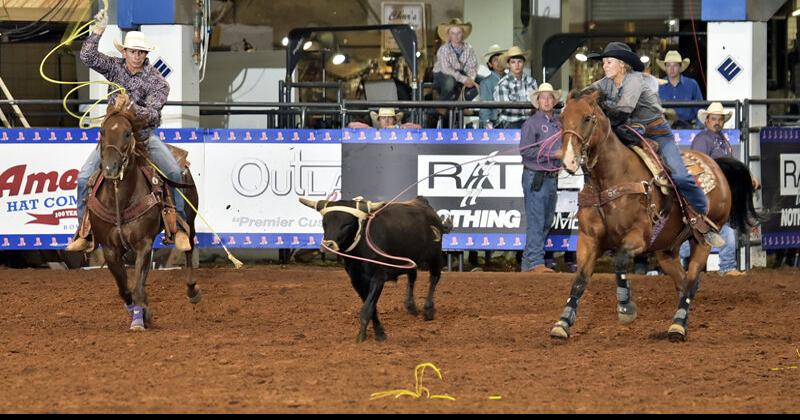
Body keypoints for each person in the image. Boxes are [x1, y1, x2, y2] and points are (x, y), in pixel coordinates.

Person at [66, 10, 190, 252]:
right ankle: (85, 232)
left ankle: (180, 228)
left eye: (141, 52)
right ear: (124, 52)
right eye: (133, 51)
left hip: (143, 137)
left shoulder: (157, 81)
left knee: (175, 172)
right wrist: (98, 31)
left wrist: (132, 109)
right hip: (113, 139)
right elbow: (88, 56)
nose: (137, 56)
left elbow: (153, 113)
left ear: (146, 54)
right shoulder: (115, 67)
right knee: (83, 178)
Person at [587, 42, 725, 248]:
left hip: (658, 134)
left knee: (680, 176)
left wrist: (601, 107)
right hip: (630, 132)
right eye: (604, 62)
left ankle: (703, 216)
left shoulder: (634, 81)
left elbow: (622, 112)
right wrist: (573, 101)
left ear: (622, 65)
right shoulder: (606, 83)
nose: (604, 66)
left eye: (608, 62)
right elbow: (586, 94)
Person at [680, 102, 747, 276]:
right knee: (704, 227)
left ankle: (724, 265)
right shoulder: (703, 140)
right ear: (707, 120)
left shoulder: (722, 140)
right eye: (714, 119)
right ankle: (725, 266)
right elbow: (699, 166)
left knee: (706, 227)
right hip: (709, 192)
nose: (717, 122)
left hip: (717, 192)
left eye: (720, 119)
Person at [519, 83, 562, 273]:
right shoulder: (531, 123)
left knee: (545, 221)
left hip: (550, 176)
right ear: (537, 102)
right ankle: (536, 262)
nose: (546, 101)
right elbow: (526, 152)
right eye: (542, 97)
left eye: (549, 97)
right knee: (538, 220)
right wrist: (554, 155)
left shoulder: (559, 123)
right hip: (536, 176)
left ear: (554, 101)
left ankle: (528, 265)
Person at [432, 18, 478, 101]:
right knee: (450, 82)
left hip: (459, 72)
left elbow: (472, 66)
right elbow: (446, 69)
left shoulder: (469, 48)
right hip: (442, 74)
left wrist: (471, 78)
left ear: (463, 33)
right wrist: (464, 79)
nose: (456, 36)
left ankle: (463, 104)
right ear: (449, 35)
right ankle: (441, 105)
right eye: (453, 33)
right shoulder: (444, 49)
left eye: (459, 33)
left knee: (481, 81)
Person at [657, 50, 704, 129]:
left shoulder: (692, 84)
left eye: (675, 65)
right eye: (668, 65)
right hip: (664, 128)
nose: (671, 69)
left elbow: (700, 110)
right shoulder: (658, 86)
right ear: (665, 67)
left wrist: (697, 130)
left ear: (680, 67)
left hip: (688, 128)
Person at [494, 46, 538, 129]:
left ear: (524, 63)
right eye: (513, 62)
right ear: (508, 65)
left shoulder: (531, 82)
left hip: (528, 121)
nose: (517, 65)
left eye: (519, 61)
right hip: (509, 121)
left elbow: (536, 103)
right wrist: (527, 110)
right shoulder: (503, 84)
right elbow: (505, 109)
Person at [478, 44, 507, 129]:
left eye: (501, 59)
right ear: (490, 64)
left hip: (509, 121)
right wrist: (487, 123)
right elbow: (485, 107)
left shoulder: (511, 79)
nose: (499, 62)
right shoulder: (486, 82)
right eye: (495, 60)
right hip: (495, 123)